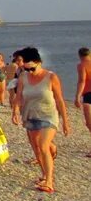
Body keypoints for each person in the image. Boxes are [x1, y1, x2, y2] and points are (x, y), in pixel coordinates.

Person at [11, 47, 69, 193]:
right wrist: (15, 111)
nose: (29, 71)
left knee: (42, 146)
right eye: (26, 68)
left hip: (48, 116)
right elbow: (19, 97)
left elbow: (60, 100)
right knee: (37, 148)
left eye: (32, 68)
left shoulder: (51, 77)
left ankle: (49, 181)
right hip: (30, 115)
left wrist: (65, 122)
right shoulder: (23, 77)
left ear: (38, 62)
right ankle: (44, 174)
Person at [76, 47, 91, 157]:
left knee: (89, 123)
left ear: (80, 56)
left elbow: (82, 81)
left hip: (88, 94)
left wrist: (77, 96)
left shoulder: (81, 65)